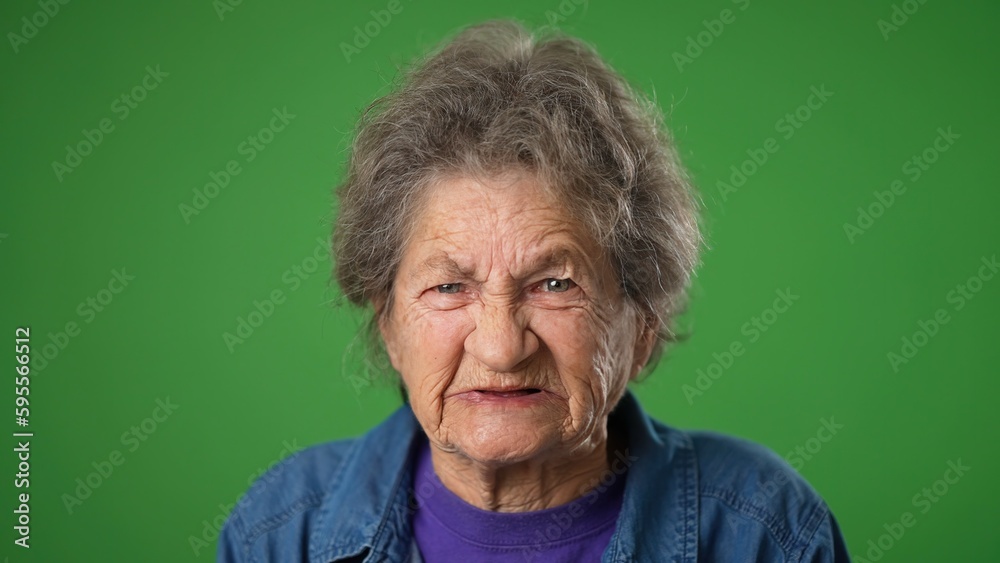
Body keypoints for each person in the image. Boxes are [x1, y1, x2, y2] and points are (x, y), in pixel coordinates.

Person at [218, 20, 850, 562]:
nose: (501, 348)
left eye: (554, 284)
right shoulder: (281, 531)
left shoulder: (765, 531)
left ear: (642, 325)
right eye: (449, 286)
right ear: (388, 326)